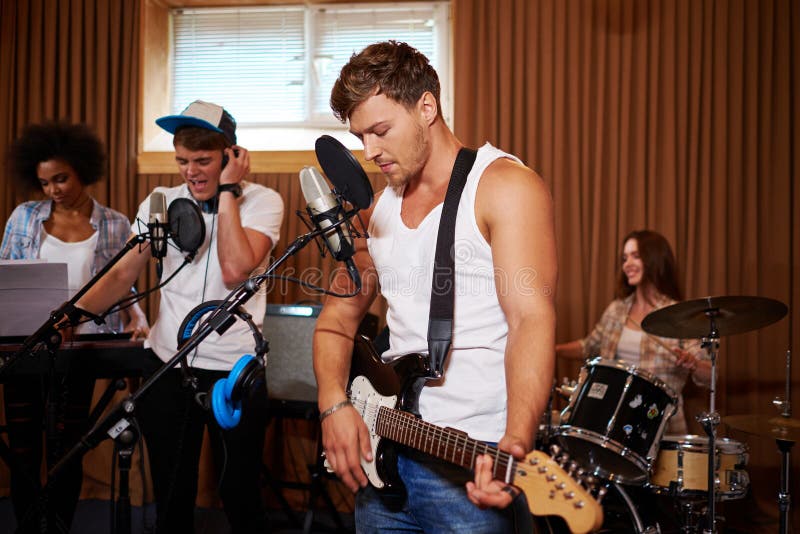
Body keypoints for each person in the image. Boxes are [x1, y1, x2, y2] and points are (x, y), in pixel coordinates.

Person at [312, 41, 557, 533]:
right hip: (386, 457)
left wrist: (516, 441)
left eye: (381, 131)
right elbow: (337, 321)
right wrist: (333, 404)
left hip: (473, 461)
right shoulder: (376, 211)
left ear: (427, 107)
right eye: (361, 137)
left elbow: (530, 319)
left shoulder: (505, 187)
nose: (370, 152)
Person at [73, 100, 284, 533]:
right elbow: (121, 274)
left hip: (234, 371)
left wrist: (228, 192)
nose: (191, 172)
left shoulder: (264, 202)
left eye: (203, 160)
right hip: (168, 365)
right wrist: (68, 319)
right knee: (172, 497)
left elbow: (235, 270)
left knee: (240, 495)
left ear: (231, 155)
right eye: (182, 161)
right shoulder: (161, 202)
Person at [0, 120, 149, 533]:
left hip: (79, 351)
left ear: (83, 169)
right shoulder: (23, 217)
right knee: (23, 453)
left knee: (66, 453)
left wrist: (138, 318)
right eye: (44, 182)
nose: (53, 189)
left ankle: (60, 527)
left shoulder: (116, 224)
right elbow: (5, 279)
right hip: (26, 349)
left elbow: (123, 284)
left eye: (61, 179)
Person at [555, 229, 711, 435]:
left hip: (661, 423)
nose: (627, 264)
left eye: (635, 256)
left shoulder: (677, 315)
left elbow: (709, 374)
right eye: (624, 258)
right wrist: (554, 350)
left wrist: (694, 363)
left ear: (654, 259)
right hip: (614, 419)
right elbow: (588, 347)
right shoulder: (616, 310)